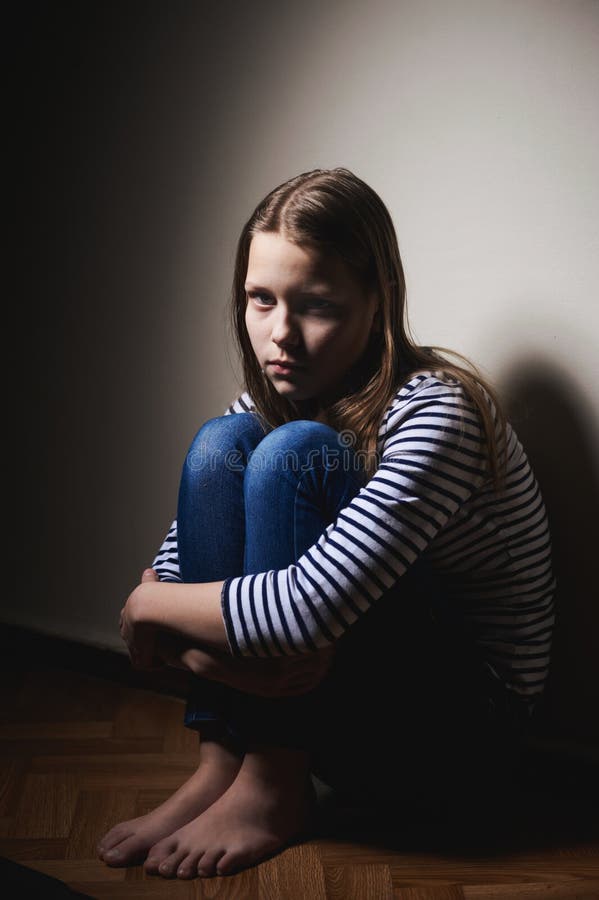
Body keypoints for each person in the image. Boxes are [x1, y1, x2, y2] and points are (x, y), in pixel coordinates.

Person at [97, 168, 555, 880]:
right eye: (260, 299)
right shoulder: (274, 396)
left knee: (293, 453)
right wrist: (185, 628)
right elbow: (182, 561)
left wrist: (149, 608)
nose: (280, 335)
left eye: (316, 306)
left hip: (462, 737)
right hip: (337, 701)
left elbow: (297, 615)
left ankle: (273, 786)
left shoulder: (438, 411)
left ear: (378, 303)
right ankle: (224, 765)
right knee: (222, 446)